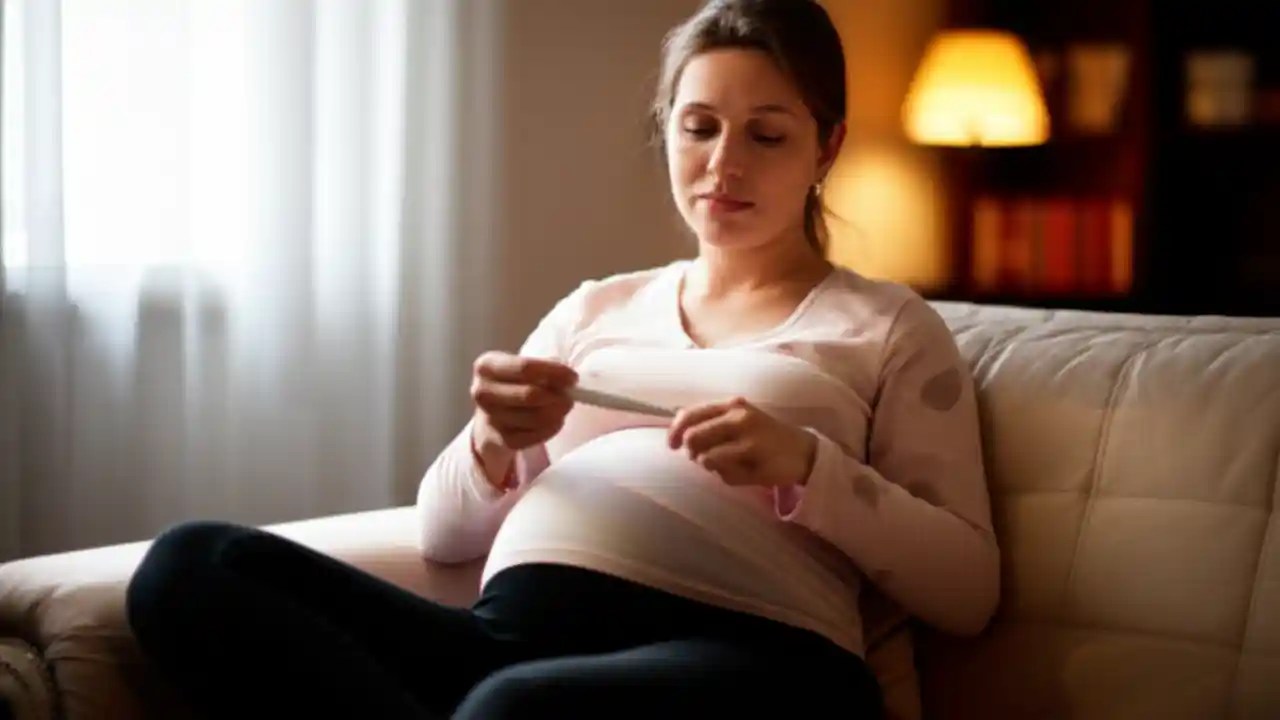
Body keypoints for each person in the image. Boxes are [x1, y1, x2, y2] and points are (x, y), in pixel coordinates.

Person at [124, 1, 999, 717]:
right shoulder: (597, 307)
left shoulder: (886, 325)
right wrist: (493, 439)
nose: (722, 165)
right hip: (513, 639)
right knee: (191, 566)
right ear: (668, 132)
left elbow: (967, 590)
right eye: (698, 128)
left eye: (766, 136)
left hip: (762, 658)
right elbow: (443, 531)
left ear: (827, 148)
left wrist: (812, 467)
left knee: (514, 711)